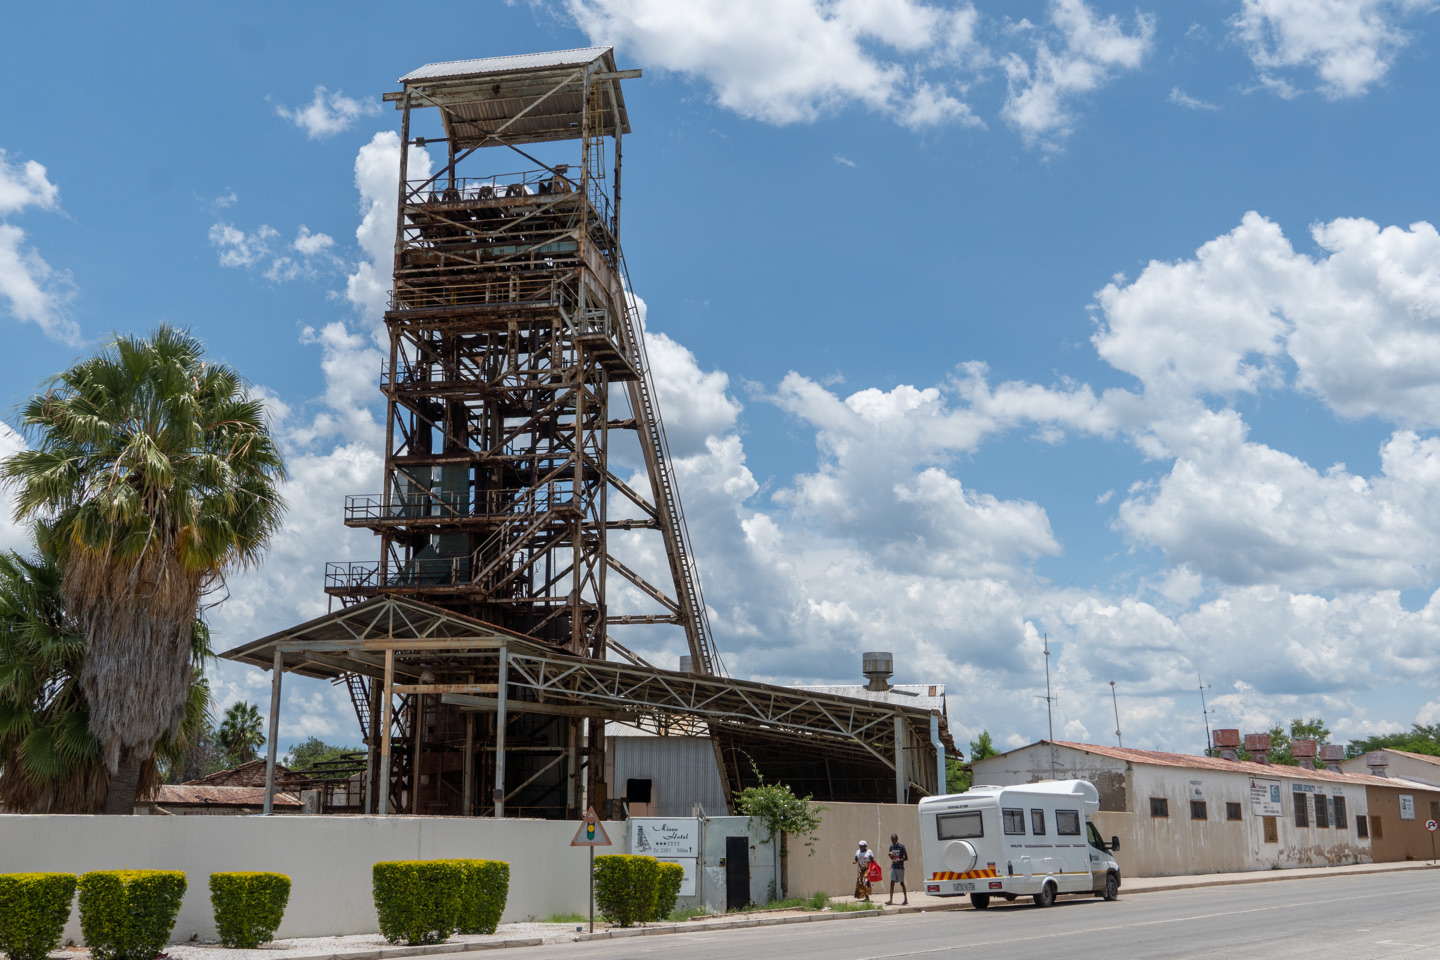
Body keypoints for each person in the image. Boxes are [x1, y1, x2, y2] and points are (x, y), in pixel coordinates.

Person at [886, 833, 909, 906]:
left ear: (897, 839)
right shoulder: (891, 847)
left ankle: (905, 899)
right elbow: (892, 858)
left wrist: (898, 860)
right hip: (894, 866)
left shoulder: (901, 846)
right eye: (892, 840)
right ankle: (891, 900)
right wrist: (890, 856)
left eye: (894, 840)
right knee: (892, 883)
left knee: (901, 883)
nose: (893, 842)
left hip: (900, 867)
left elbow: (906, 858)